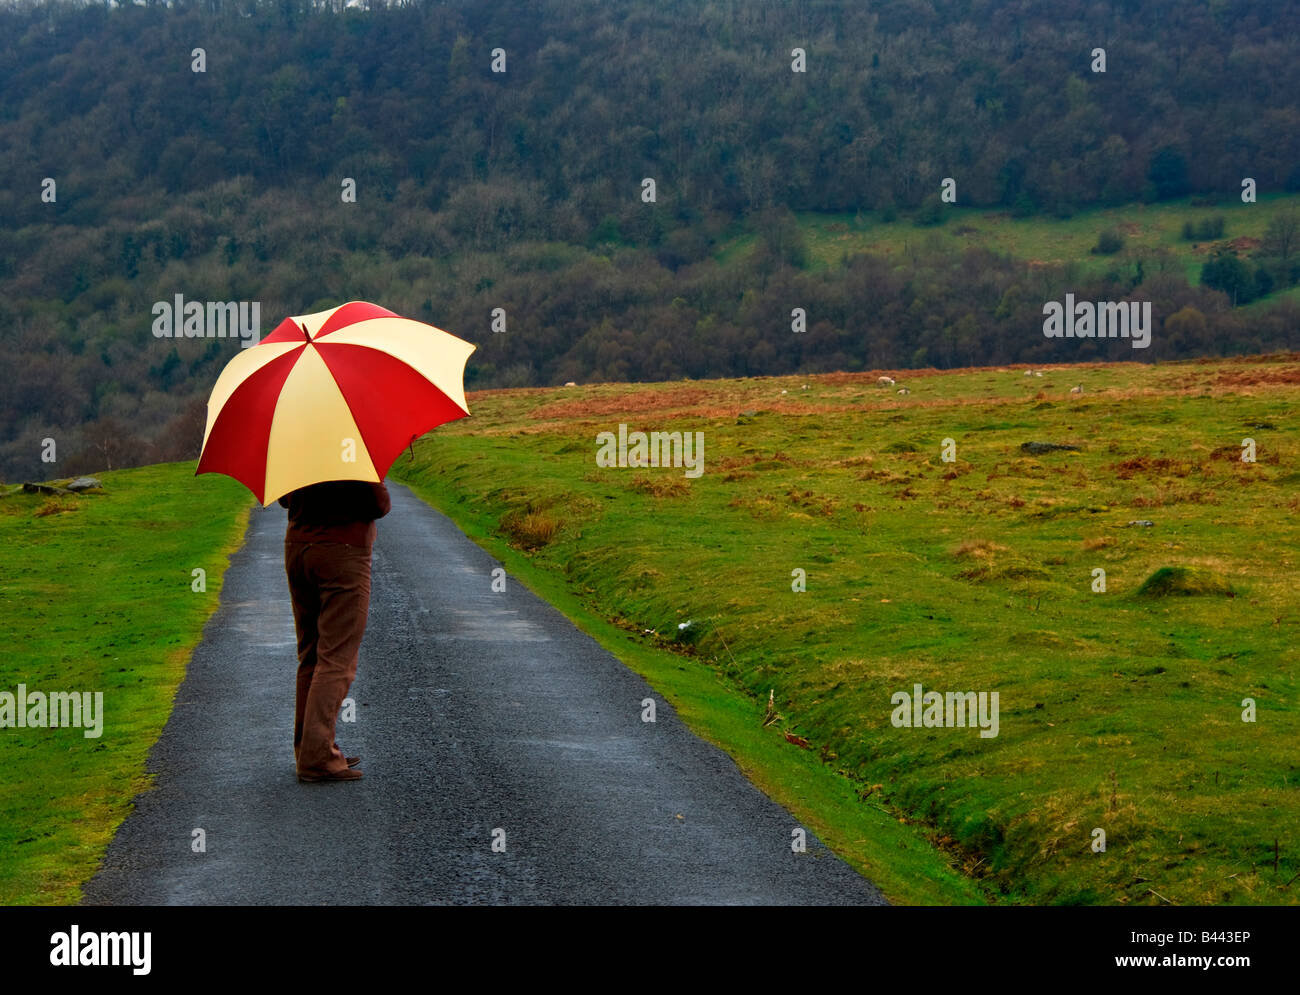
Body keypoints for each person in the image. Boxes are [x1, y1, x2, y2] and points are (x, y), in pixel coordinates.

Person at [277, 479, 391, 782]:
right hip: (343, 554)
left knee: (311, 655)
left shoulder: (297, 440)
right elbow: (380, 505)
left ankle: (311, 749)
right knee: (337, 659)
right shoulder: (354, 448)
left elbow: (285, 499)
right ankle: (317, 758)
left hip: (298, 549)